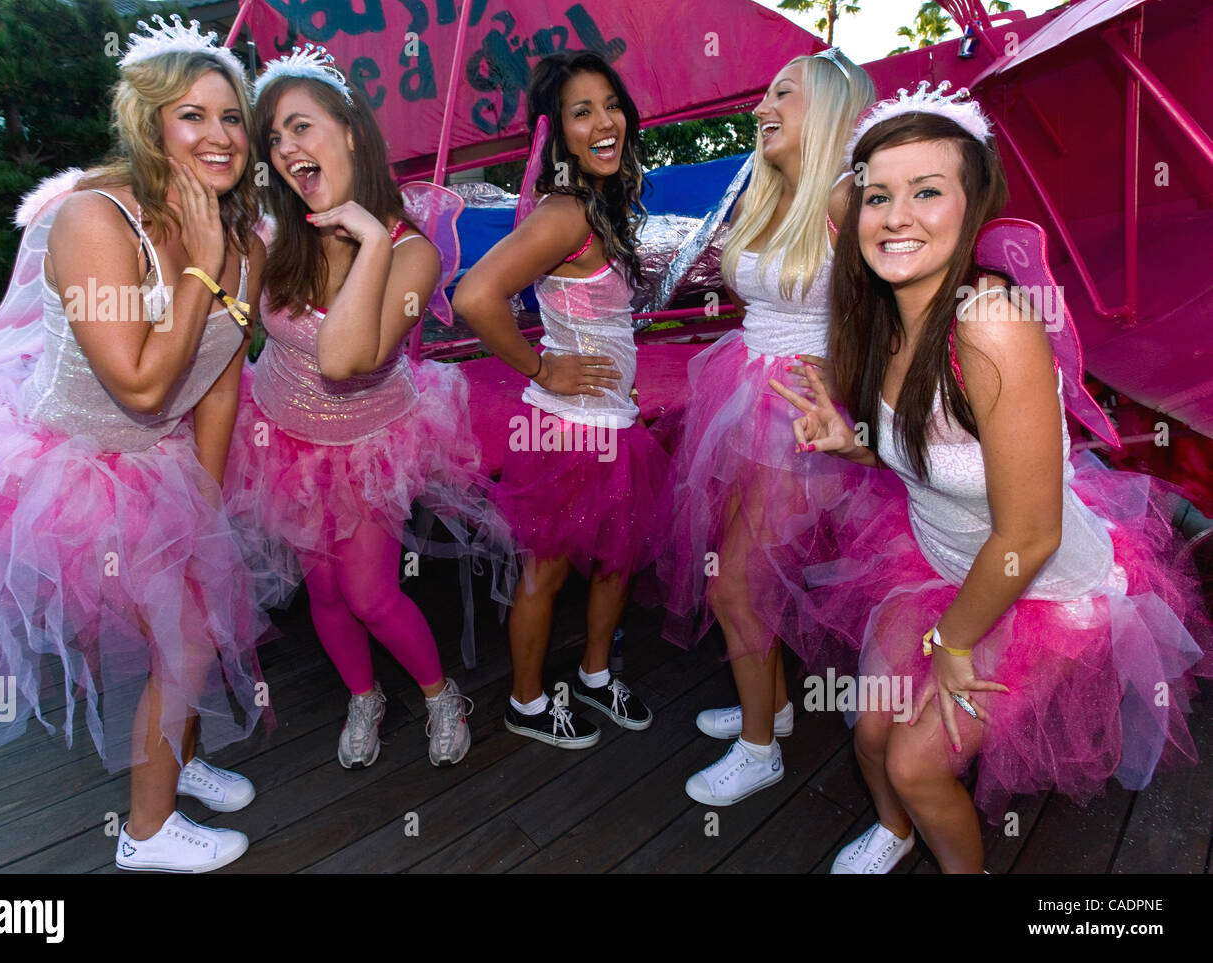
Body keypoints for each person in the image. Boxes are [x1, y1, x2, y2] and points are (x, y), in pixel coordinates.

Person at [772, 82, 1212, 873]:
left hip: (1038, 582)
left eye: (927, 190)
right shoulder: (882, 320)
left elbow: (1032, 531)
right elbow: (938, 460)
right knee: (869, 727)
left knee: (914, 759)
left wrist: (952, 640)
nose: (895, 213)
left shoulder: (989, 324)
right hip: (941, 562)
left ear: (972, 208)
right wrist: (855, 442)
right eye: (878, 195)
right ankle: (896, 831)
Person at [0, 16, 271, 872]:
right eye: (193, 115)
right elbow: (143, 384)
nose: (218, 135)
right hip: (65, 463)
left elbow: (220, 372)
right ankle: (145, 835)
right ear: (149, 123)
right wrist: (202, 262)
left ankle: (178, 754)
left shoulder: (245, 236)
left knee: (200, 620)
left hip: (159, 461)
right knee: (182, 637)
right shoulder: (93, 218)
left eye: (232, 116)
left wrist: (208, 499)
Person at [224, 47, 510, 771]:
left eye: (301, 127)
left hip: (369, 439)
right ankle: (363, 695)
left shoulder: (412, 251)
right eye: (274, 140)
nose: (287, 149)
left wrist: (374, 236)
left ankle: (441, 693)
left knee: (371, 591)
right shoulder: (274, 229)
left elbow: (346, 359)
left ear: (349, 131)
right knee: (321, 588)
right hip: (281, 433)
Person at [658, 49, 879, 806]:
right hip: (740, 395)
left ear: (831, 111)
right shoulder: (767, 188)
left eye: (782, 93)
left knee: (738, 591)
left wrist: (854, 395)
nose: (760, 109)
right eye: (763, 95)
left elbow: (900, 304)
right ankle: (776, 709)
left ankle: (761, 752)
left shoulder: (849, 198)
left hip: (797, 416)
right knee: (741, 570)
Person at [453, 51, 671, 749]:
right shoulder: (565, 210)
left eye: (612, 104)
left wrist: (618, 367)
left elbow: (599, 313)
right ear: (557, 131)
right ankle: (524, 700)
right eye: (584, 112)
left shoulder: (601, 202)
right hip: (568, 434)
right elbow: (474, 297)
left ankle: (595, 675)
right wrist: (543, 368)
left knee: (616, 560)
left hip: (616, 423)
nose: (606, 122)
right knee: (545, 571)